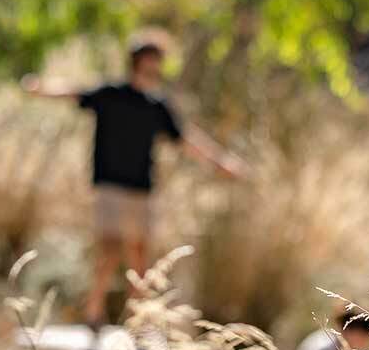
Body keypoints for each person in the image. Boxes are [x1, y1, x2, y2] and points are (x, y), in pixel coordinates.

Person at [24, 31, 247, 324]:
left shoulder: (156, 106)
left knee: (140, 256)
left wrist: (220, 161)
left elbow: (184, 138)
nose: (156, 66)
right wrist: (40, 88)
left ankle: (138, 319)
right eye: (151, 59)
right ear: (137, 61)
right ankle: (94, 311)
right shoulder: (111, 94)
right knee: (109, 248)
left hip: (142, 189)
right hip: (110, 185)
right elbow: (74, 92)